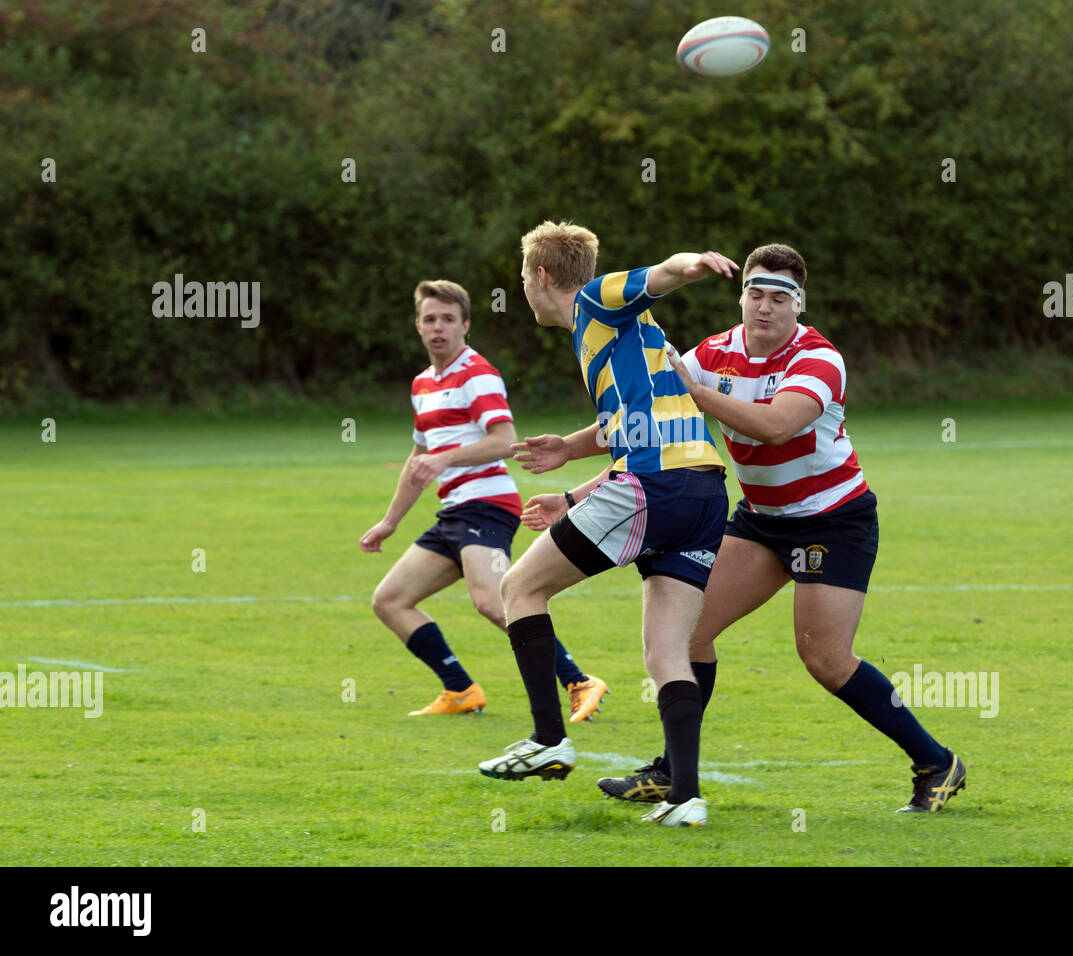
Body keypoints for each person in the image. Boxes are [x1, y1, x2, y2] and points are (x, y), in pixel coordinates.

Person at [518, 244, 966, 813]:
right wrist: (572, 459)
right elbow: (657, 414)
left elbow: (776, 427)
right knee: (687, 635)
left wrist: (699, 390)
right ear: (741, 296)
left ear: (798, 306)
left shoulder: (819, 359)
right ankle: (673, 773)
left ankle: (936, 761)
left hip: (832, 521)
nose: (765, 307)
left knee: (825, 659)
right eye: (756, 293)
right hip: (759, 521)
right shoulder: (716, 351)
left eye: (780, 298)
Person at [475, 221, 733, 828]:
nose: (525, 290)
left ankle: (548, 738)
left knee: (519, 588)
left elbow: (661, 273)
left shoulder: (594, 302)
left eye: (523, 279)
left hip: (655, 486)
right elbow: (631, 424)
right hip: (704, 491)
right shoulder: (624, 340)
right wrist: (568, 454)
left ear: (541, 277)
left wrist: (692, 261)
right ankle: (685, 797)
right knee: (667, 650)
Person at [360, 279, 608, 722]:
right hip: (453, 512)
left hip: (488, 506)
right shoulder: (422, 384)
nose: (439, 328)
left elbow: (504, 440)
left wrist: (445, 459)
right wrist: (390, 522)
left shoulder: (477, 374)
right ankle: (459, 688)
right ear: (418, 326)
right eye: (430, 319)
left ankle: (578, 680)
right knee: (389, 599)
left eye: (448, 320)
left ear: (465, 325)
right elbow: (419, 459)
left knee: (493, 601)